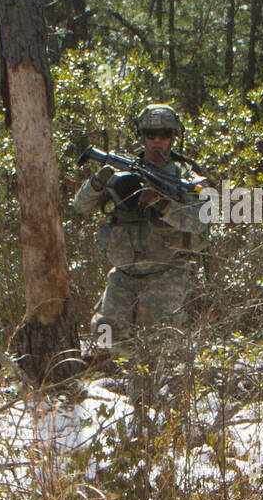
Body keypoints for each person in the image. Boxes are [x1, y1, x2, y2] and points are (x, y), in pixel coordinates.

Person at [72, 104, 207, 393]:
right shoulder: (123, 168)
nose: (156, 140)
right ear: (142, 135)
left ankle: (155, 398)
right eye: (150, 133)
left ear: (173, 137)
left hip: (166, 270)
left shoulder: (186, 178)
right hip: (124, 270)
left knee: (161, 343)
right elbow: (80, 206)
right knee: (105, 332)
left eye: (164, 134)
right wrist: (99, 181)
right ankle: (135, 379)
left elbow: (201, 222)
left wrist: (159, 202)